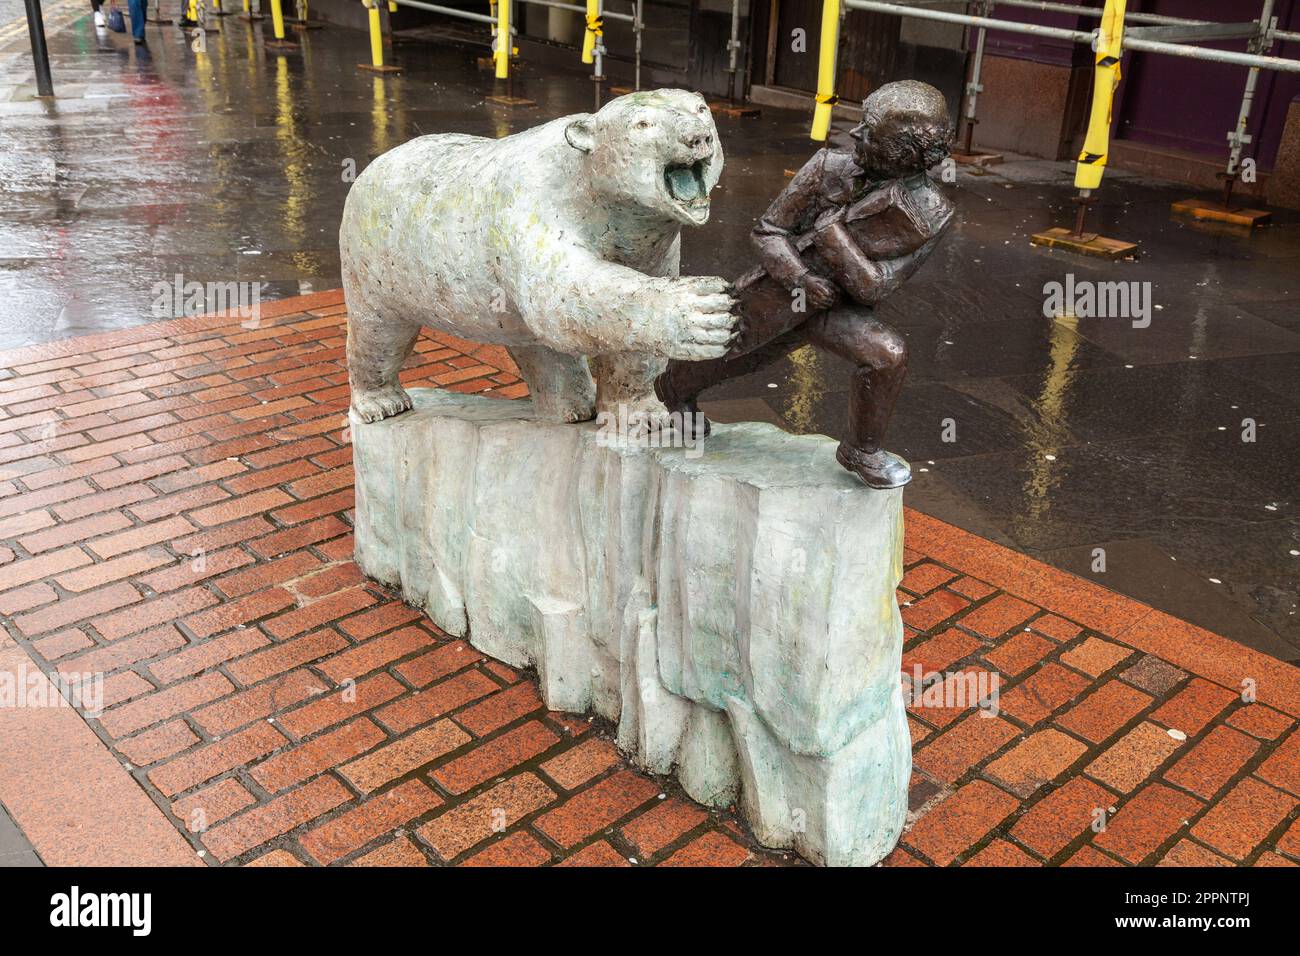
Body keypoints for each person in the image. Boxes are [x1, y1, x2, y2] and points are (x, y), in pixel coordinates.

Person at [655, 80, 955, 489]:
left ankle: (860, 450)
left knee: (888, 355)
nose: (855, 133)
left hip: (839, 306)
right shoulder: (827, 166)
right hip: (784, 290)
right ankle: (673, 390)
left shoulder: (931, 212)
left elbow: (877, 287)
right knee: (741, 352)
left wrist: (835, 239)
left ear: (903, 152)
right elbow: (768, 232)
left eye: (870, 129)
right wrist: (802, 278)